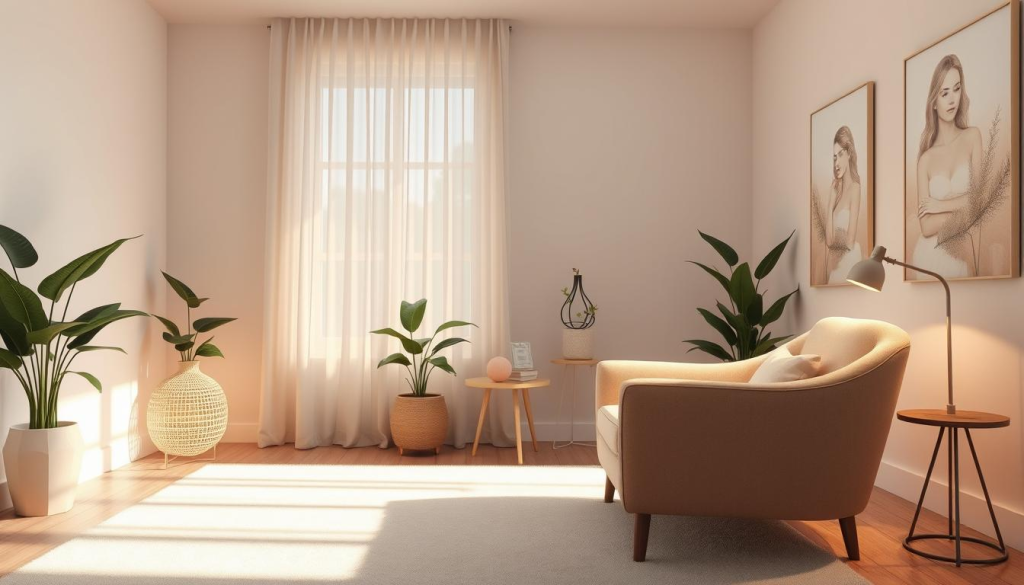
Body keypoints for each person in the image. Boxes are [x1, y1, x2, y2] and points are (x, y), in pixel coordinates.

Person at [913, 54, 982, 277]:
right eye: (944, 93)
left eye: (956, 89)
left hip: (960, 256)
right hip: (927, 257)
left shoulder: (972, 137)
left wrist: (939, 205)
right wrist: (963, 210)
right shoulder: (925, 160)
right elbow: (926, 227)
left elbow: (978, 201)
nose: (952, 99)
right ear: (934, 102)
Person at [825, 126, 862, 283]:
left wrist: (835, 250)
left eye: (840, 154)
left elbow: (850, 242)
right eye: (834, 157)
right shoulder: (837, 194)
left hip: (849, 263)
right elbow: (829, 241)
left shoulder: (855, 188)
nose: (837, 163)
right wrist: (830, 203)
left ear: (849, 153)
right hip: (835, 267)